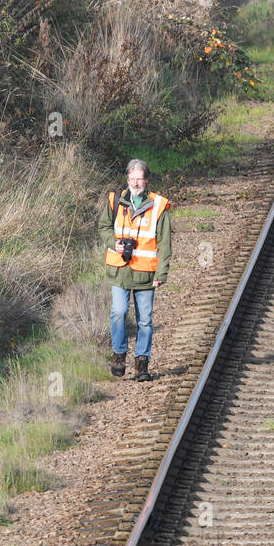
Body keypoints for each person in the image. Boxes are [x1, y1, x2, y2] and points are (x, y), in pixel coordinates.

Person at [98, 159, 171, 381]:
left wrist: (162, 272)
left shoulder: (158, 206)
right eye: (132, 178)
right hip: (119, 270)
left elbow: (165, 242)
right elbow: (103, 227)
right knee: (119, 312)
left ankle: (142, 364)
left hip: (146, 273)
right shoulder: (114, 201)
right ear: (127, 178)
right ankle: (119, 354)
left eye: (140, 178)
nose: (136, 182)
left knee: (145, 320)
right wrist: (114, 242)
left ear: (147, 180)